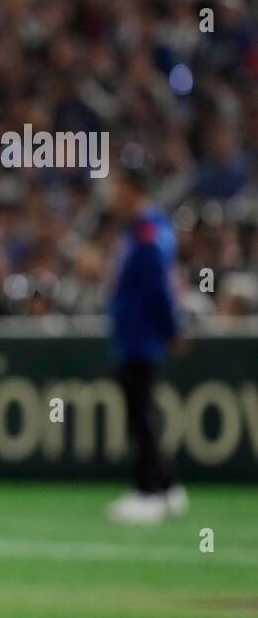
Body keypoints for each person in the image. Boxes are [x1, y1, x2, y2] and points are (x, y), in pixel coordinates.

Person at [105, 167, 188, 525]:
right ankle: (166, 486)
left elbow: (159, 287)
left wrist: (171, 329)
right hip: (131, 336)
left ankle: (150, 491)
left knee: (141, 416)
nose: (113, 194)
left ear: (135, 189)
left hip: (143, 338)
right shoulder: (138, 230)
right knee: (141, 414)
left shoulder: (150, 231)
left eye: (119, 186)